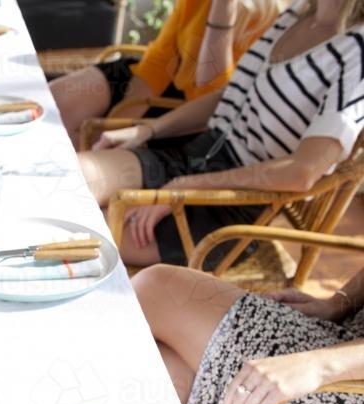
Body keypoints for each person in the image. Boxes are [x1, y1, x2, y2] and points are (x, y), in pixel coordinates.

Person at [78, 0, 364, 269]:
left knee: (83, 235)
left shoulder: (357, 51)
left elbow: (304, 172)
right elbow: (230, 94)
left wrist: (187, 187)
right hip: (190, 158)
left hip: (230, 205)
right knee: (68, 181)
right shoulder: (297, 14)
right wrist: (147, 130)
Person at [132, 263, 364, 404]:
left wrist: (319, 365)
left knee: (157, 289)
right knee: (154, 374)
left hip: (351, 388)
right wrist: (340, 303)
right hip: (348, 338)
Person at [50, 0, 283, 146]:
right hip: (156, 81)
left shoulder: (280, 15)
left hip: (196, 113)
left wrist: (223, 8)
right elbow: (161, 58)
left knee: (88, 152)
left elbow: (212, 92)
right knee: (51, 106)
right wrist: (114, 122)